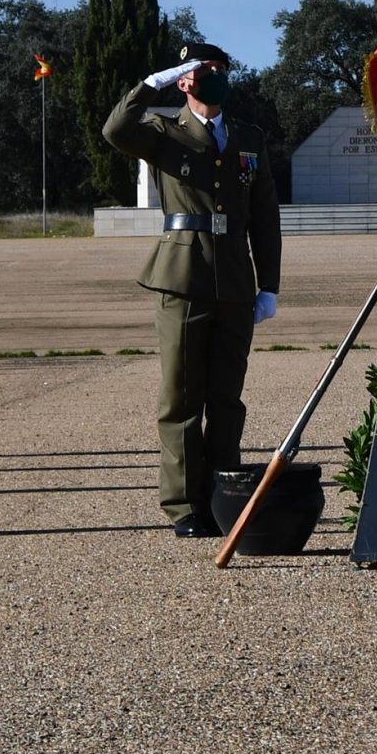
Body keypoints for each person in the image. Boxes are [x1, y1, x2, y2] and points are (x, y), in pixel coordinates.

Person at [102, 42, 284, 538]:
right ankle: (183, 505)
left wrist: (268, 284)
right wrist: (150, 84)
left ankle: (222, 496)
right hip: (182, 276)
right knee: (181, 397)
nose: (217, 76)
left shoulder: (248, 138)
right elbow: (114, 130)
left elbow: (265, 216)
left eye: (222, 68)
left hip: (235, 280)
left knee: (227, 397)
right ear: (184, 80)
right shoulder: (164, 132)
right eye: (205, 71)